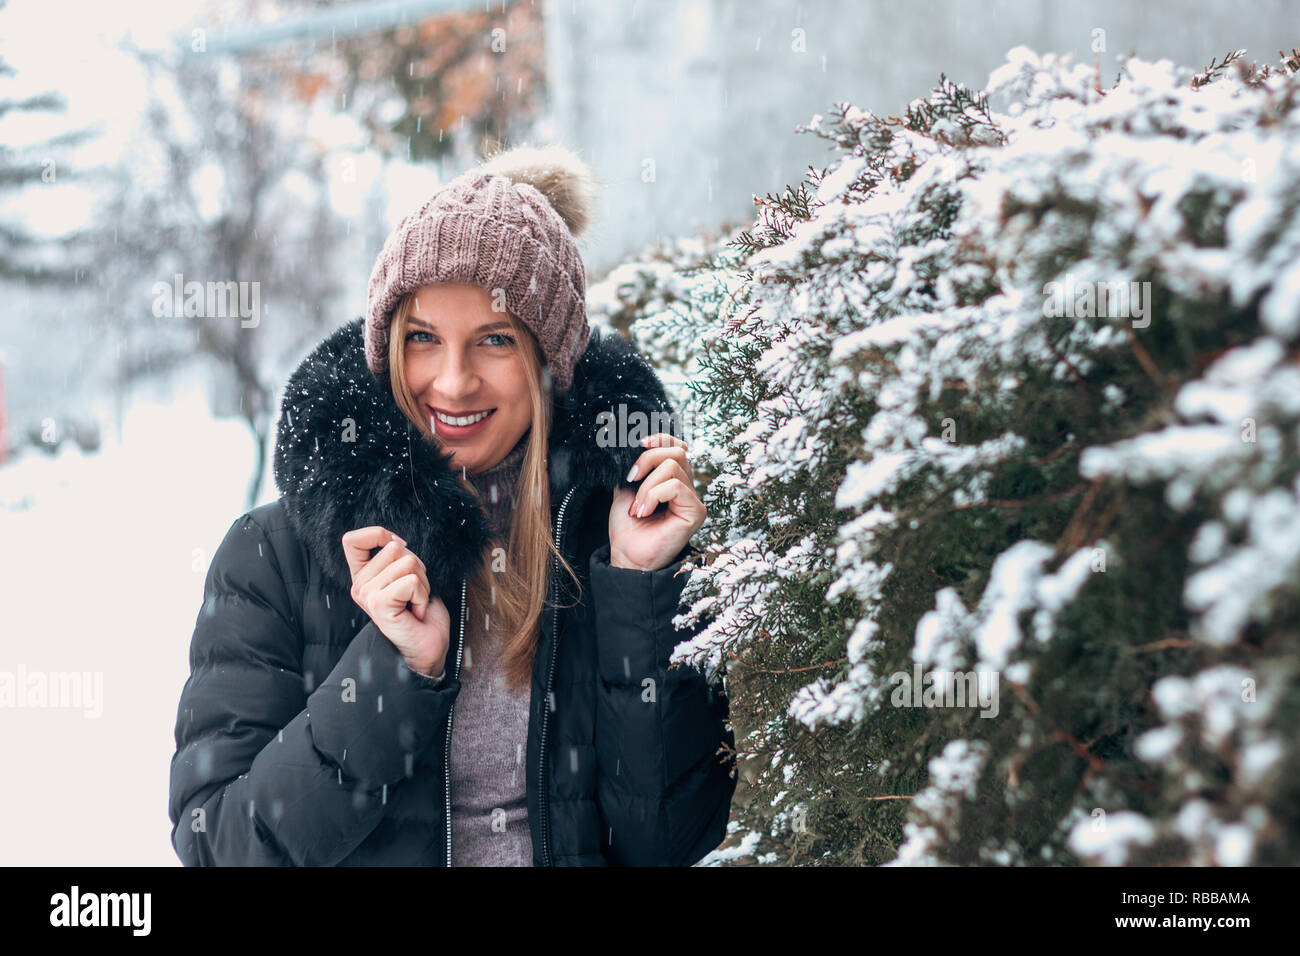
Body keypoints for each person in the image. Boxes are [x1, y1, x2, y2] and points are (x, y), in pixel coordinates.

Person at [167, 143, 737, 866]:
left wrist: (637, 590)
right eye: (423, 339)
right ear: (385, 348)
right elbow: (218, 843)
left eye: (495, 340)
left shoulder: (609, 536)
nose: (453, 382)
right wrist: (392, 671)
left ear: (549, 360)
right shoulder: (271, 556)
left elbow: (673, 840)